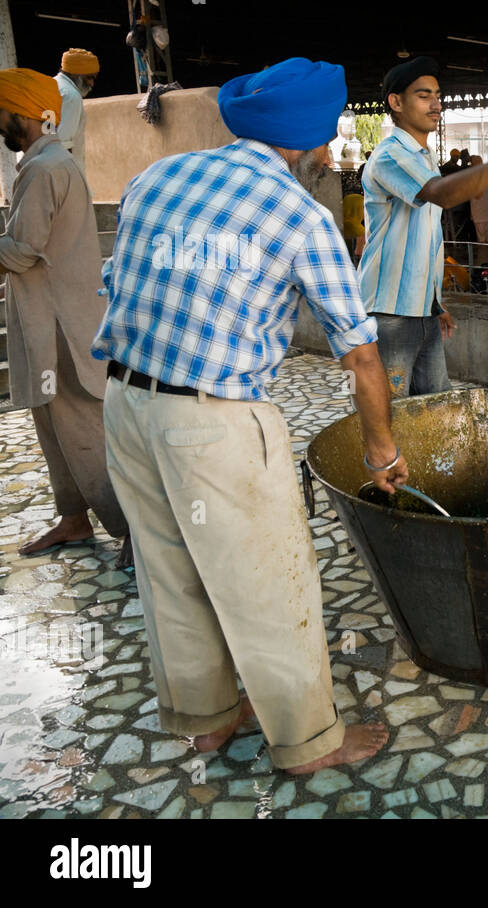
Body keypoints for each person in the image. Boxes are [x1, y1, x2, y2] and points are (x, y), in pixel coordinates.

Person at [91, 57, 405, 773]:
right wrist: (381, 451)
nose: (331, 148)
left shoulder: (157, 177)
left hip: (126, 404)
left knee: (170, 571)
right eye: (330, 132)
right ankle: (307, 743)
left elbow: (119, 282)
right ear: (311, 139)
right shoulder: (300, 215)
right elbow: (358, 355)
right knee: (266, 582)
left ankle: (204, 719)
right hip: (213, 423)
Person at [357, 56, 488, 396]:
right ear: (396, 102)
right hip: (390, 316)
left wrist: (434, 302)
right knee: (390, 419)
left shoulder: (423, 156)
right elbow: (442, 194)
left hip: (420, 312)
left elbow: (422, 241)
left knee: (433, 412)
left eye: (437, 94)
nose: (436, 103)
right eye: (423, 95)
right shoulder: (391, 154)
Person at [0, 67, 130, 565]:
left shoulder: (45, 168)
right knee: (53, 429)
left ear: (23, 115)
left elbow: (22, 251)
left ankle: (132, 530)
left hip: (62, 330)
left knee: (83, 433)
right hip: (48, 322)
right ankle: (74, 520)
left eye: (2, 112)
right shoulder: (44, 162)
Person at [54, 48, 97, 175]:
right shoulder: (71, 95)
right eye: (89, 78)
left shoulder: (51, 84)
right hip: (62, 171)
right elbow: (63, 143)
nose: (91, 84)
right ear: (73, 73)